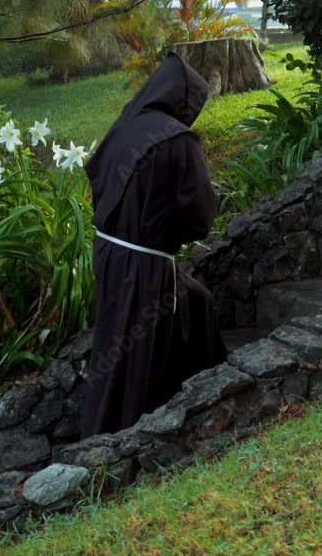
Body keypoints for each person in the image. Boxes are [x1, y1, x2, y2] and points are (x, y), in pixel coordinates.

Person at [80, 53, 228, 439]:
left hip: (110, 252)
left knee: (129, 336)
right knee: (134, 351)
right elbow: (199, 215)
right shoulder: (179, 140)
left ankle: (196, 399)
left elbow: (95, 176)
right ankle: (127, 436)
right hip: (145, 265)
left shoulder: (125, 127)